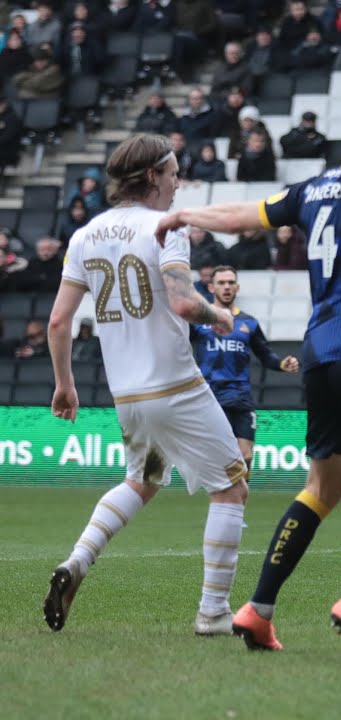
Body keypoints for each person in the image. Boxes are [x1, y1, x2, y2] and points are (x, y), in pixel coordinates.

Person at [153, 96, 341, 660]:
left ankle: (258, 609)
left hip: (317, 354)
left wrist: (186, 215)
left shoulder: (314, 188)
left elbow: (246, 214)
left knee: (325, 487)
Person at [42, 134, 249, 638]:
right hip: (175, 386)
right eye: (174, 173)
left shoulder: (85, 235)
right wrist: (220, 315)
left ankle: (77, 561)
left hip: (128, 396)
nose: (178, 182)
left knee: (143, 480)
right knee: (231, 487)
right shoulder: (165, 227)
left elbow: (58, 322)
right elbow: (183, 302)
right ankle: (213, 612)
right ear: (153, 175)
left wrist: (65, 384)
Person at [192, 265, 301, 471]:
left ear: (237, 288)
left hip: (241, 395)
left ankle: (239, 493)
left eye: (231, 283)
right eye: (221, 283)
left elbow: (265, 354)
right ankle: (221, 492)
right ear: (211, 288)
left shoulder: (249, 323)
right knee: (220, 457)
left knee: (246, 456)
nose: (227, 287)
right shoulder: (199, 321)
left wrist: (281, 364)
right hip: (211, 396)